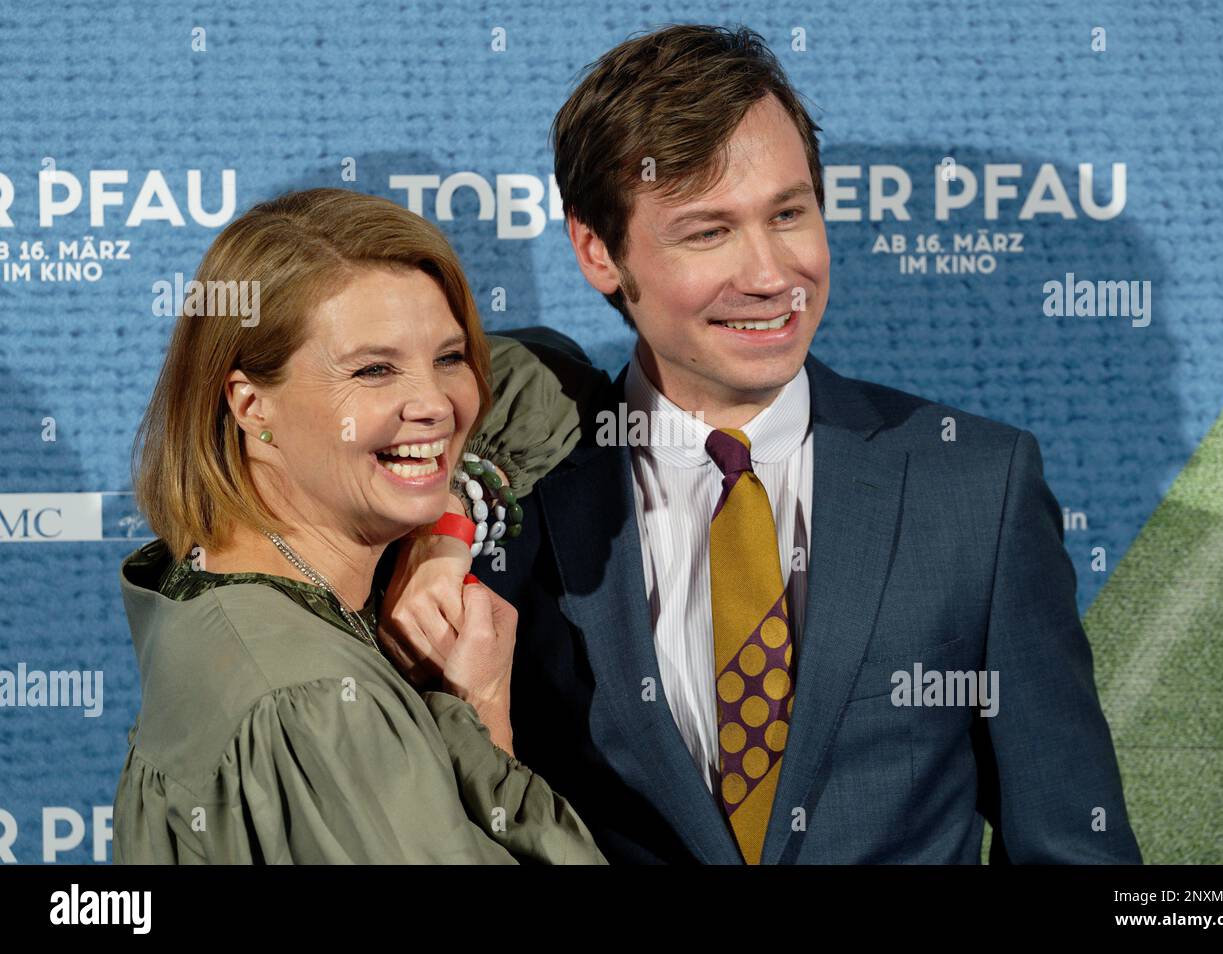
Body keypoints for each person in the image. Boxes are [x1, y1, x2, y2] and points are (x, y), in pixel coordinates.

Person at [382, 24, 1143, 864]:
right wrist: (445, 535)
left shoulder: (976, 486)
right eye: (707, 232)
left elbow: (1075, 848)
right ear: (598, 252)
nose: (770, 273)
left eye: (789, 214)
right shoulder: (525, 494)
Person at [113, 187, 607, 864]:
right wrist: (479, 705)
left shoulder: (217, 582)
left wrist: (450, 518)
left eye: (449, 357)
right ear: (253, 406)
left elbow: (550, 371)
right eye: (374, 369)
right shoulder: (317, 707)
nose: (434, 404)